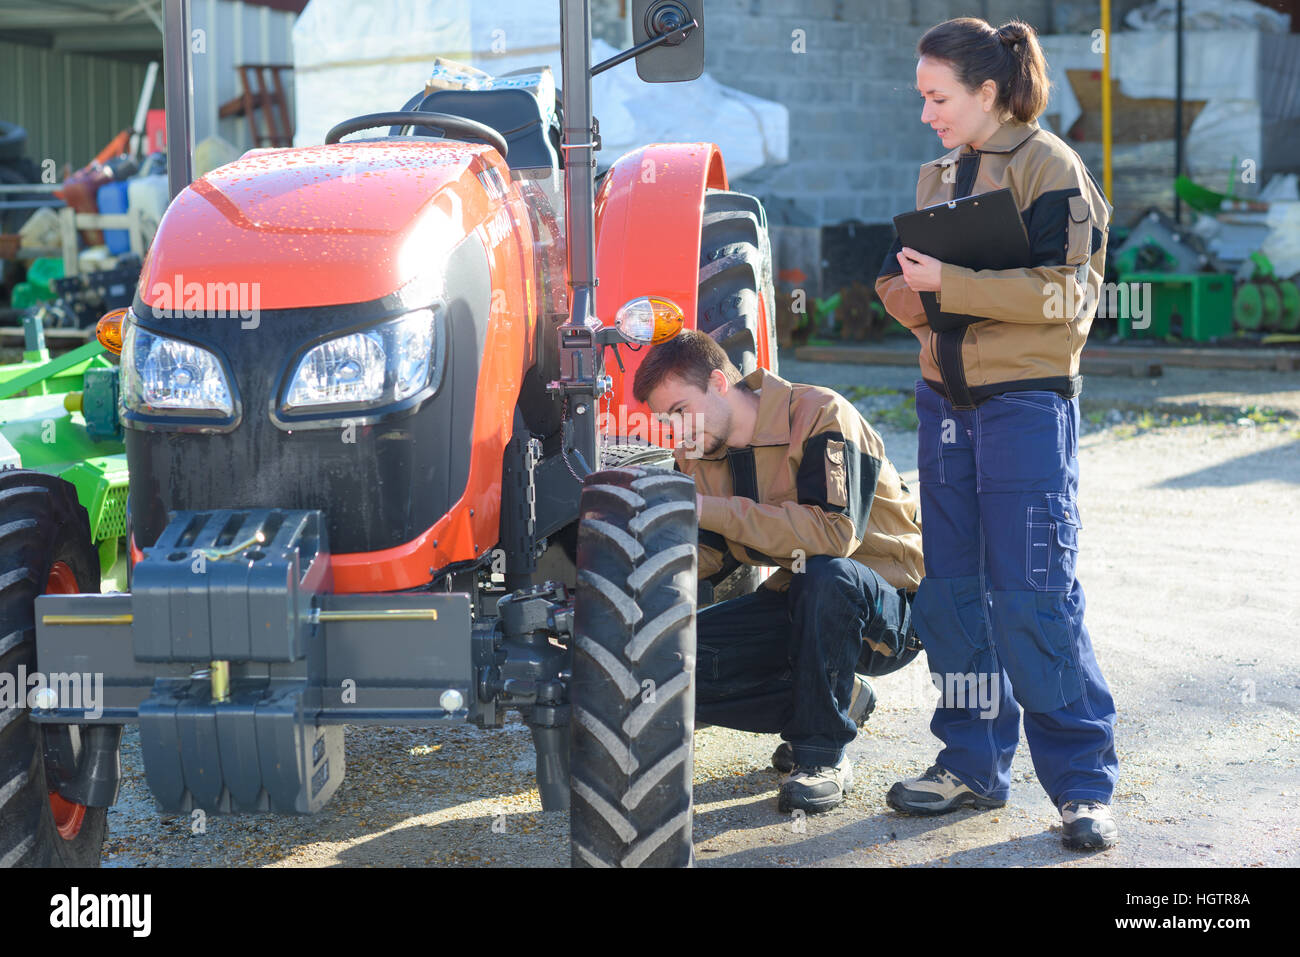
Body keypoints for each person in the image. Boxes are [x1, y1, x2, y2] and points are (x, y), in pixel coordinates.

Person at [874, 16, 1119, 850]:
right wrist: (914, 296)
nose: (925, 114)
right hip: (946, 408)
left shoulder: (1055, 167)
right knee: (952, 595)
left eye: (937, 98)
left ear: (987, 92)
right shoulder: (936, 174)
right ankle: (972, 763)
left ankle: (1083, 786)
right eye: (920, 98)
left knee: (1033, 595)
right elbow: (900, 279)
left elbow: (1072, 300)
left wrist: (957, 283)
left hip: (1026, 408)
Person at [632, 330, 924, 814]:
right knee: (656, 661)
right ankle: (835, 697)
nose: (677, 432)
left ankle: (821, 756)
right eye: (666, 421)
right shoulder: (698, 453)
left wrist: (705, 507)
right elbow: (707, 555)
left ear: (719, 383)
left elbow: (833, 536)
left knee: (827, 575)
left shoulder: (821, 415)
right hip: (799, 600)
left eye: (680, 411)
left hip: (888, 609)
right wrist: (627, 585)